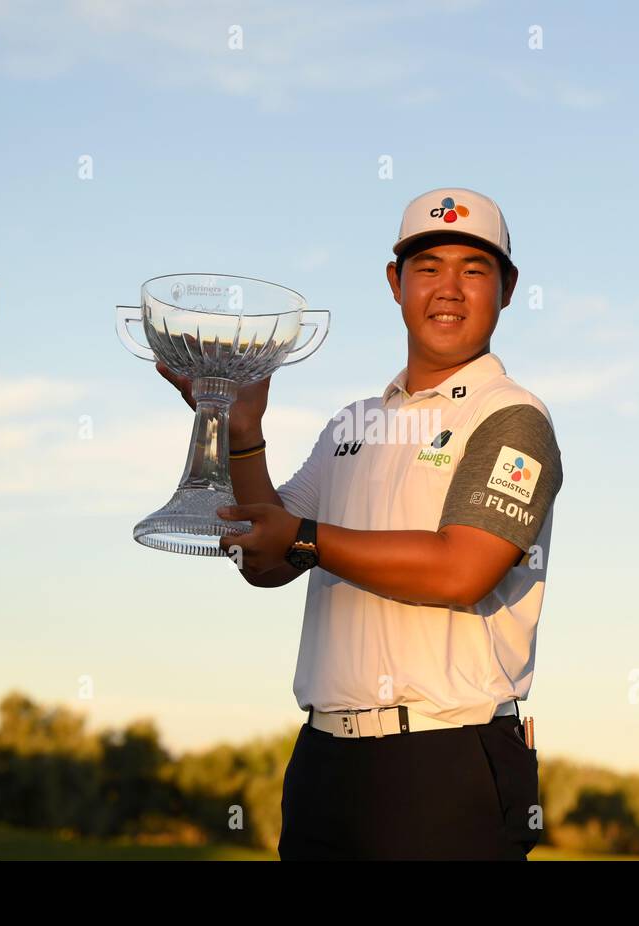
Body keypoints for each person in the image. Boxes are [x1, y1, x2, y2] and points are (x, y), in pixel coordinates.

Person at [157, 187, 564, 860]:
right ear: (395, 283)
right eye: (429, 268)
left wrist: (308, 539)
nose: (450, 289)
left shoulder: (511, 416)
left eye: (475, 269)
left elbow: (463, 569)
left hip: (448, 759)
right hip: (325, 764)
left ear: (509, 287)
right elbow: (264, 557)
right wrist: (241, 433)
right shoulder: (352, 424)